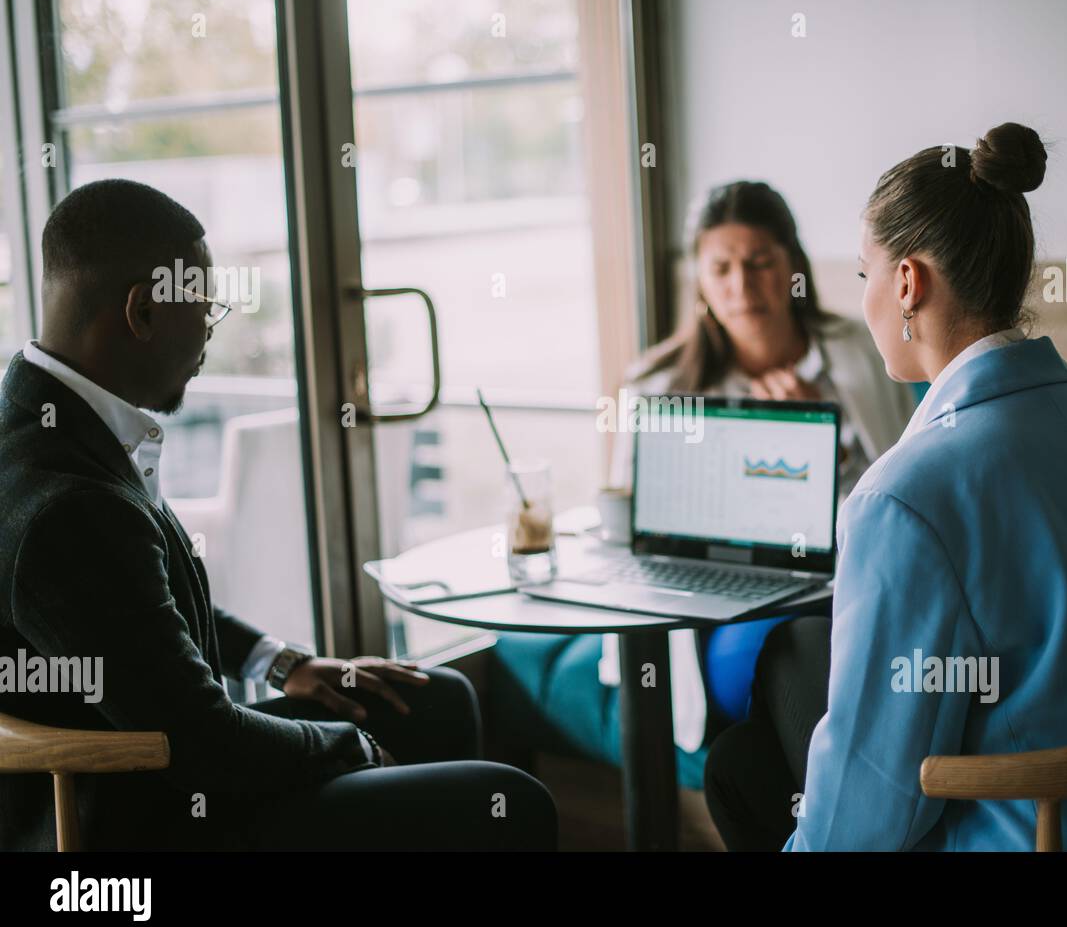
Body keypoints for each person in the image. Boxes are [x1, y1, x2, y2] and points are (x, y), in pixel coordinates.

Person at [704, 124, 1067, 851]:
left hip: (1041, 834)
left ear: (909, 283)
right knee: (751, 751)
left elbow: (868, 810)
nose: (866, 300)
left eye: (866, 276)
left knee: (744, 764)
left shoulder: (903, 497)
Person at [0, 179, 557, 851]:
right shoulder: (71, 507)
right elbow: (207, 744)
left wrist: (279, 660)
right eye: (205, 304)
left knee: (434, 699)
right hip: (155, 820)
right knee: (512, 800)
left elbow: (140, 610)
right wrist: (353, 746)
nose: (211, 327)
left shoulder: (50, 423)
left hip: (176, 766)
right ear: (143, 311)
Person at [601, 181, 916, 755]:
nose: (740, 286)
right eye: (720, 268)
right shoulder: (659, 385)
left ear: (792, 264)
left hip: (855, 588)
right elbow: (633, 531)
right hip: (731, 606)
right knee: (799, 651)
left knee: (840, 648)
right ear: (698, 277)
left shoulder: (862, 353)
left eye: (760, 263)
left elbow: (912, 495)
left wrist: (827, 453)